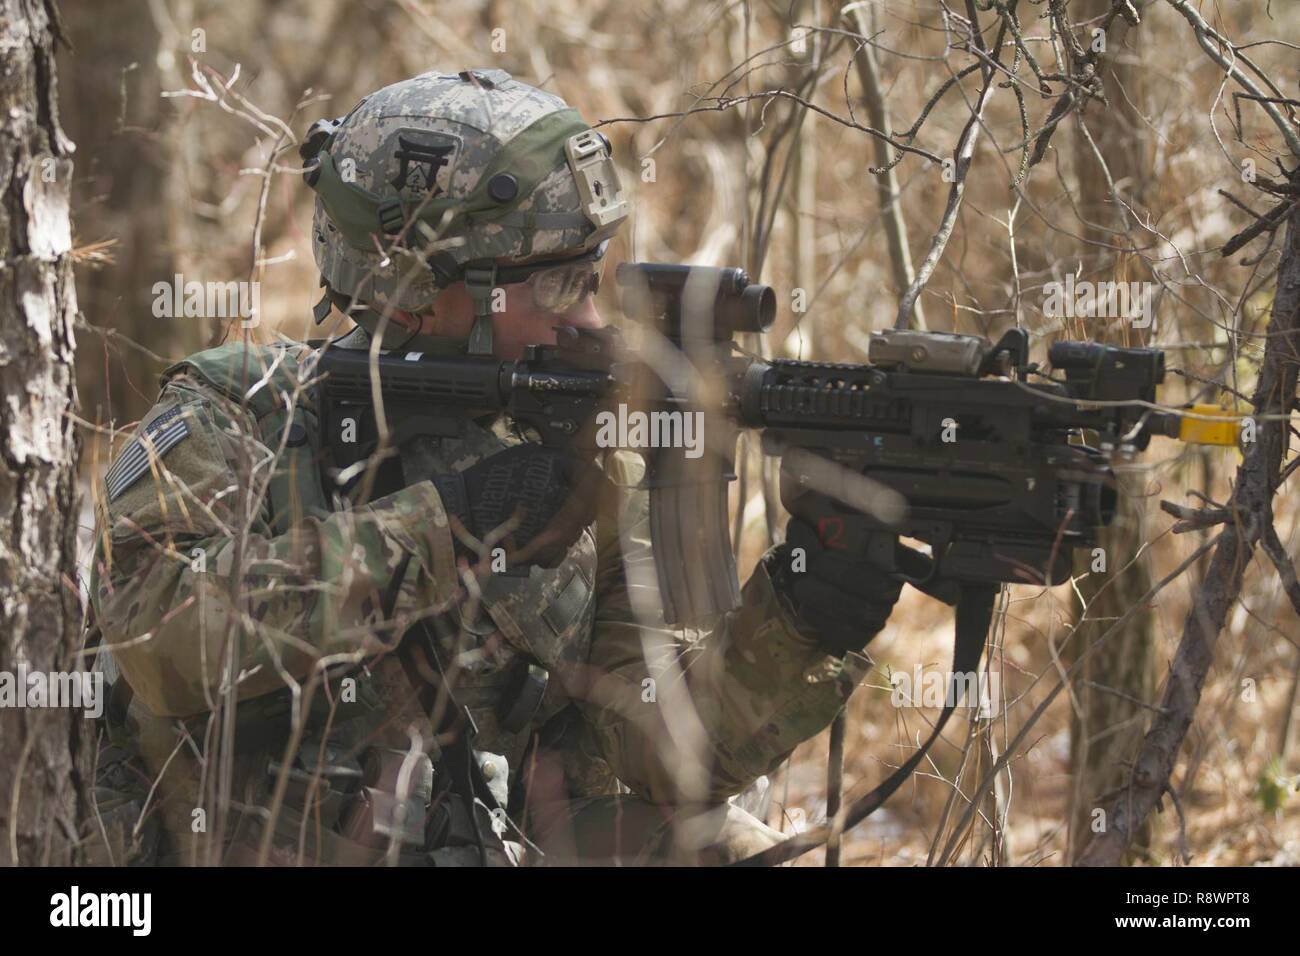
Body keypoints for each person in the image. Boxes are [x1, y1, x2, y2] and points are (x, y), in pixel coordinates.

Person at [86, 68, 902, 866]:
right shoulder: (237, 415)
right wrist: (445, 525)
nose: (587, 317)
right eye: (558, 283)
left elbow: (656, 746)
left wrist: (801, 621)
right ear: (413, 287)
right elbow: (162, 640)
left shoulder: (561, 448)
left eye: (595, 276)